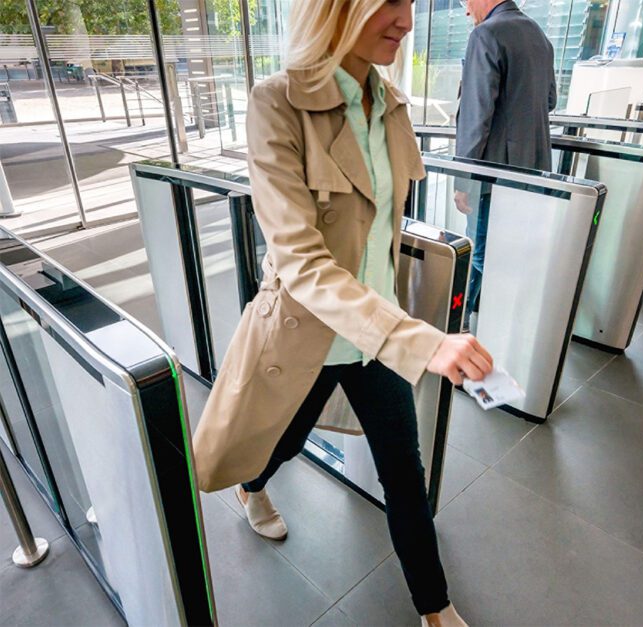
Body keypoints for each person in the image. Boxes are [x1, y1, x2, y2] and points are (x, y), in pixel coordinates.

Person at [192, 1, 494, 624]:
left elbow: (385, 227)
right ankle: (253, 486)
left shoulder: (393, 105)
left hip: (377, 334)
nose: (405, 19)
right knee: (285, 438)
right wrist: (421, 340)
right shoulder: (276, 104)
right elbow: (300, 262)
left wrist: (400, 331)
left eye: (411, 3)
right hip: (307, 337)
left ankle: (435, 610)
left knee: (404, 475)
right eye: (388, 1)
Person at [454, 0, 557, 316]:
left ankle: (467, 324)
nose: (466, 11)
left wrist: (463, 182)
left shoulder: (487, 34)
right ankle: (502, 316)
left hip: (493, 174)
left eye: (465, 3)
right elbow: (550, 101)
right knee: (513, 248)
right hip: (534, 169)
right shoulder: (538, 34)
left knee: (482, 252)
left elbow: (475, 117)